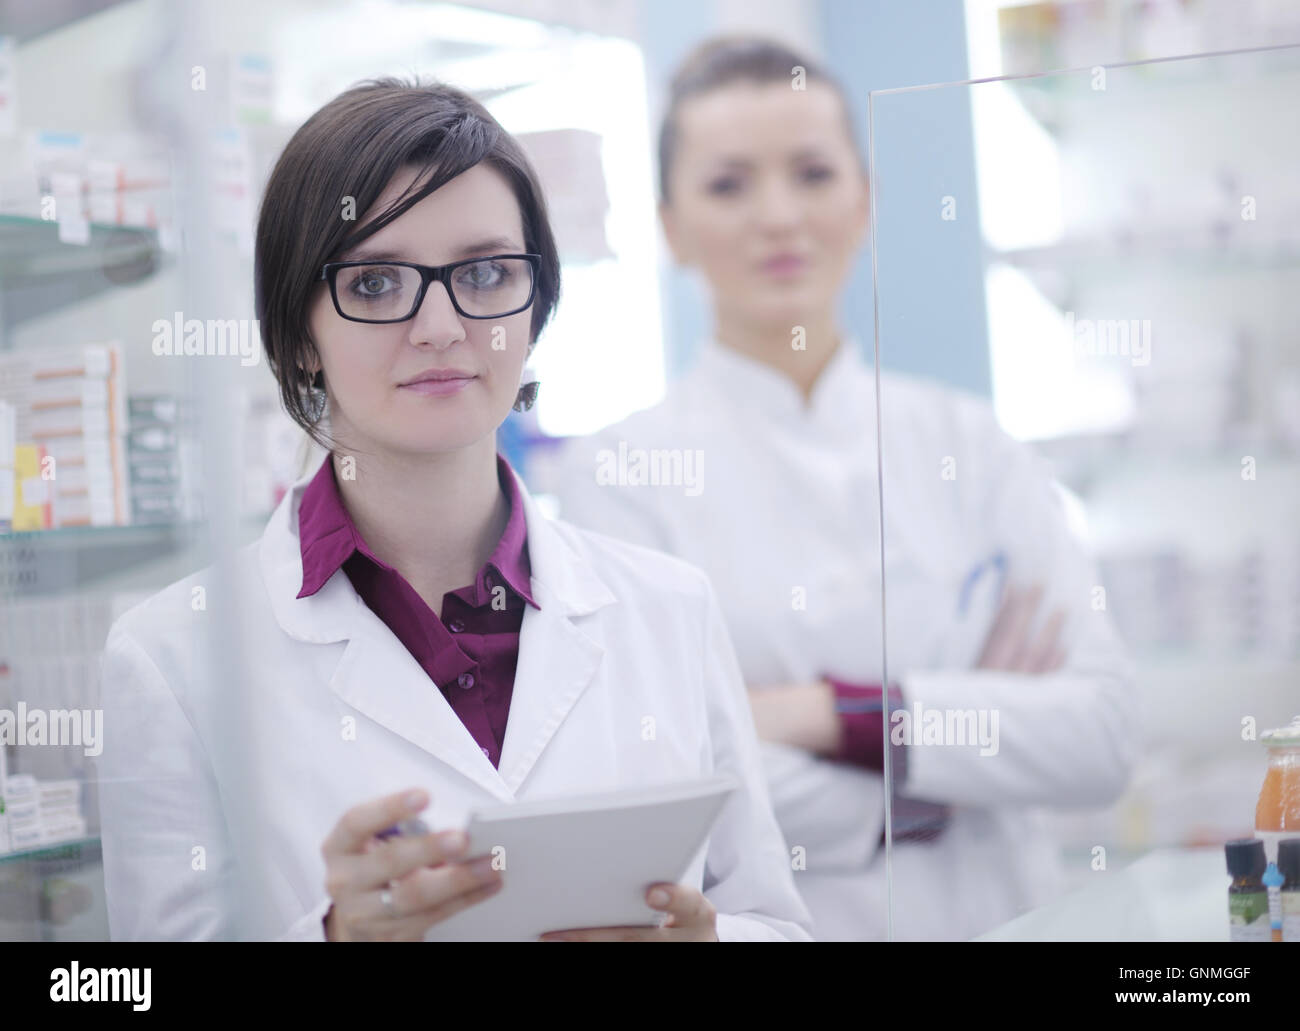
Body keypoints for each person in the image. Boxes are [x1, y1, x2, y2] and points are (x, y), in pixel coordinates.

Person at [95, 76, 812, 942]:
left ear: (536, 305)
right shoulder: (173, 657)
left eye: (484, 272)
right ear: (295, 336)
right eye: (374, 283)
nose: (440, 327)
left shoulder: (669, 606)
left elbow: (776, 922)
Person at [548, 37, 1138, 940]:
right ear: (669, 226)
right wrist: (960, 748)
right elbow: (671, 792)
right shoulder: (614, 480)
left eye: (813, 172)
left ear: (864, 200)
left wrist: (822, 714)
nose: (778, 215)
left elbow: (1097, 736)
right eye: (728, 184)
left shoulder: (970, 444)